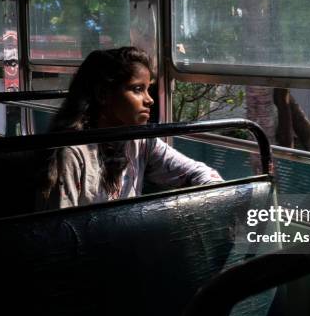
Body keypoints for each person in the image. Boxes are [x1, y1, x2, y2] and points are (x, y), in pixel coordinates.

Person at [38, 46, 222, 209]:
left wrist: (219, 197)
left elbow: (194, 172)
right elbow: (60, 231)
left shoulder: (140, 141)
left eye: (148, 89)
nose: (149, 100)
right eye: (137, 89)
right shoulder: (72, 153)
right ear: (103, 94)